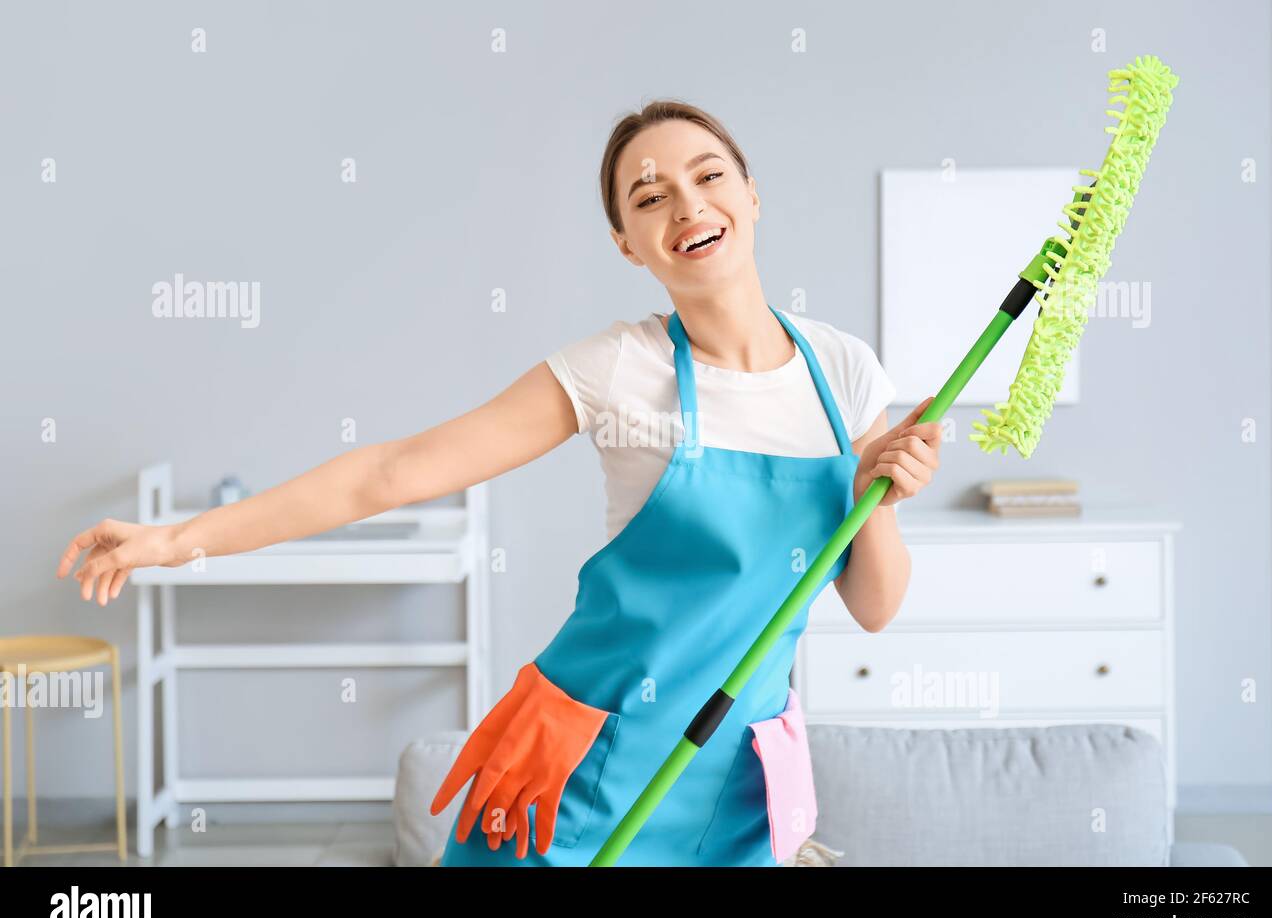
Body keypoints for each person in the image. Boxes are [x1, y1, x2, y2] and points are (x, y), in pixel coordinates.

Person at [56, 100, 941, 867]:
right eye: (650, 196)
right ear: (627, 244)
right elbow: (390, 473)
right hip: (582, 772)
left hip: (737, 789)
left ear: (751, 195)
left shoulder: (843, 372)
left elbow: (875, 604)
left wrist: (884, 498)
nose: (687, 205)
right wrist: (176, 540)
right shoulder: (618, 369)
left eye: (708, 176)